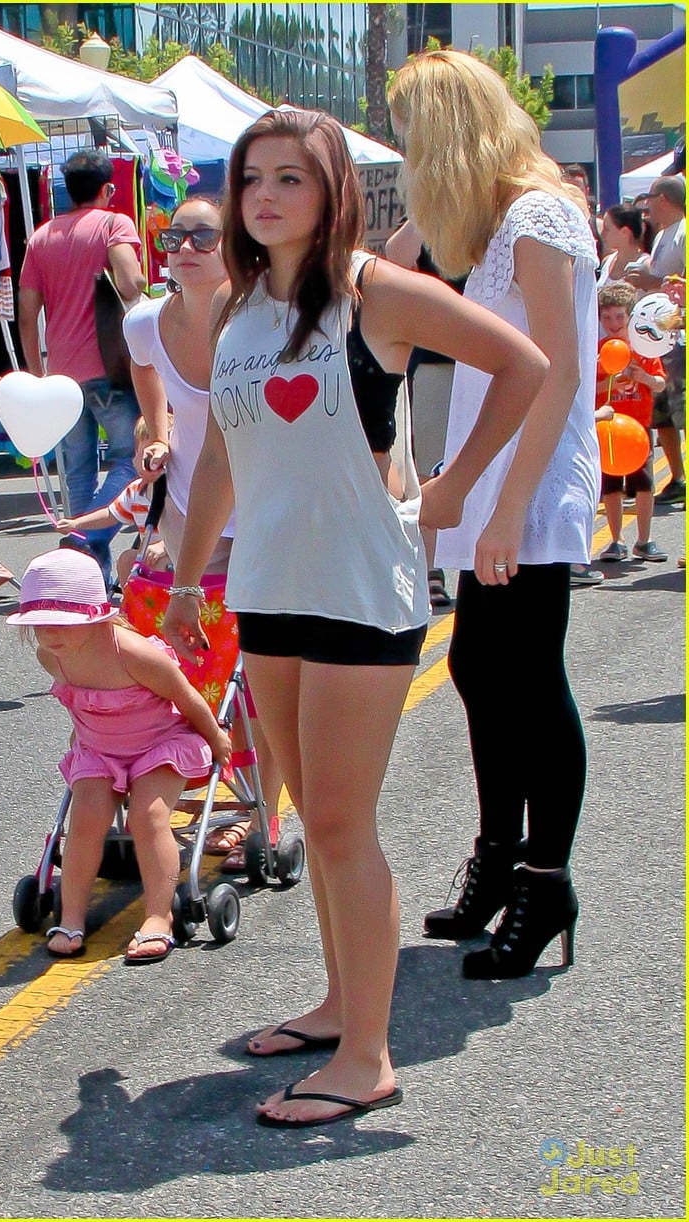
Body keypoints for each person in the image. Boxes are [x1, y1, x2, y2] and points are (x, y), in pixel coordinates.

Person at [161, 107, 547, 1127]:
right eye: (254, 179)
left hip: (359, 592)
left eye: (293, 177)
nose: (268, 197)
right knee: (308, 823)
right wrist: (188, 581)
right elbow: (215, 461)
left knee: (338, 822)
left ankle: (369, 1058)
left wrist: (460, 482)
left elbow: (524, 364)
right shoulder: (236, 312)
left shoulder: (372, 293)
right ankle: (339, 1006)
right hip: (268, 595)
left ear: (332, 193)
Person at [389, 50, 601, 981]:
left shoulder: (541, 214)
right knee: (480, 667)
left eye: (410, 137)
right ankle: (501, 861)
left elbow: (555, 369)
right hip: (495, 484)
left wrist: (509, 505)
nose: (405, 158)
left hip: (532, 483)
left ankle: (544, 879)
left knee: (525, 676)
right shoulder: (504, 218)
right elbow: (393, 265)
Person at [123, 196, 282, 869]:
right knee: (201, 655)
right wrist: (155, 439)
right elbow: (147, 389)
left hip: (267, 504)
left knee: (264, 670)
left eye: (202, 236)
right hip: (194, 503)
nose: (185, 247)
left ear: (230, 246)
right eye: (173, 235)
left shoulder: (253, 320)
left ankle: (263, 817)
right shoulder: (144, 323)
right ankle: (199, 787)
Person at [6, 548, 231, 962]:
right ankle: (71, 915)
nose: (49, 634)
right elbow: (81, 703)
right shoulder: (50, 656)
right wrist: (83, 741)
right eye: (39, 624)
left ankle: (159, 916)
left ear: (96, 615)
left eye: (62, 623)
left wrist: (216, 737)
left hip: (160, 743)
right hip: (101, 749)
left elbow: (186, 696)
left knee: (148, 813)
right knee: (87, 814)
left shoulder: (131, 653)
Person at [18, 151, 147, 590]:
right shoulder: (114, 224)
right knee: (132, 460)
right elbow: (132, 283)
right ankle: (81, 541)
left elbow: (26, 310)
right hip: (109, 368)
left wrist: (38, 372)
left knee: (78, 473)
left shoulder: (40, 238)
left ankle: (89, 577)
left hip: (61, 376)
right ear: (108, 189)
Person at [385, 217, 467, 607]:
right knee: (429, 467)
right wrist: (427, 208)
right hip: (436, 361)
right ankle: (430, 567)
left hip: (486, 360)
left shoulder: (492, 214)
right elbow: (396, 255)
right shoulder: (427, 221)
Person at [595, 284, 666, 563]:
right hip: (610, 426)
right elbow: (586, 388)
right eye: (607, 318)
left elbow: (659, 383)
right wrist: (605, 382)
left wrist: (643, 377)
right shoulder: (599, 352)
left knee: (645, 484)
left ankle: (644, 540)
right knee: (612, 487)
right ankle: (616, 540)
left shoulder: (644, 347)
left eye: (619, 317)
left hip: (639, 427)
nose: (613, 324)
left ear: (630, 317)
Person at [626, 176, 686, 504]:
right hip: (659, 339)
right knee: (662, 414)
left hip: (680, 335)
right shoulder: (663, 235)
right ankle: (678, 477)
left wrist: (654, 280)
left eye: (650, 199)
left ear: (662, 199)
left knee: (682, 409)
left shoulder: (684, 232)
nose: (646, 206)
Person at [54, 417, 166, 588]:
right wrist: (76, 523)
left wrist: (164, 546)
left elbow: (193, 528)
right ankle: (132, 605)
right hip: (147, 554)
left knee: (162, 564)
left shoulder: (178, 491)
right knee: (126, 559)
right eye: (143, 457)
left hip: (178, 553)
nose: (150, 464)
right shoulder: (136, 490)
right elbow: (110, 514)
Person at [596, 204, 652, 294]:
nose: (602, 234)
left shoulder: (645, 265)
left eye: (607, 229)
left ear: (624, 232)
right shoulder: (607, 261)